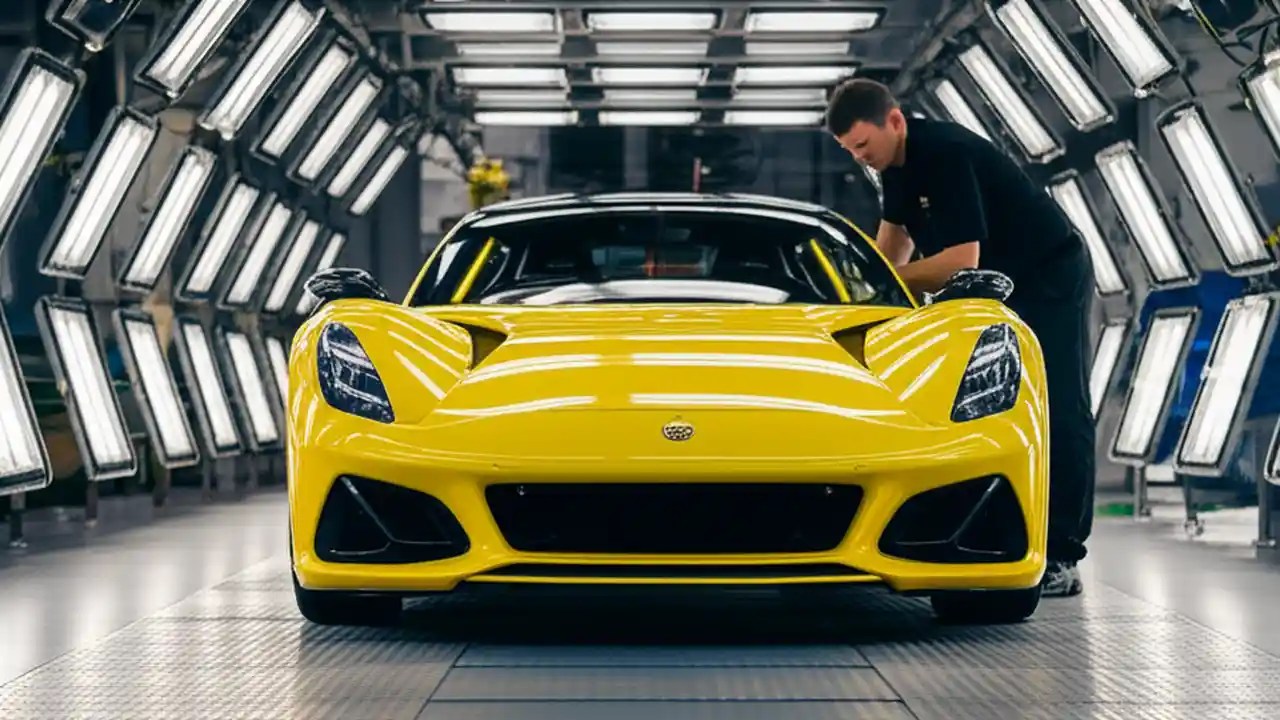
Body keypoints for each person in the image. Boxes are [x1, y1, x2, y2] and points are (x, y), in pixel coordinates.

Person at [825, 78, 1095, 597]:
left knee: (1055, 402)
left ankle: (1063, 554)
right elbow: (892, 245)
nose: (860, 158)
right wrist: (856, 293)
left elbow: (958, 262)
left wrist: (888, 284)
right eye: (849, 151)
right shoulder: (894, 166)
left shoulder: (945, 154)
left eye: (863, 145)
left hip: (1046, 275)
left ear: (895, 122)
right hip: (993, 283)